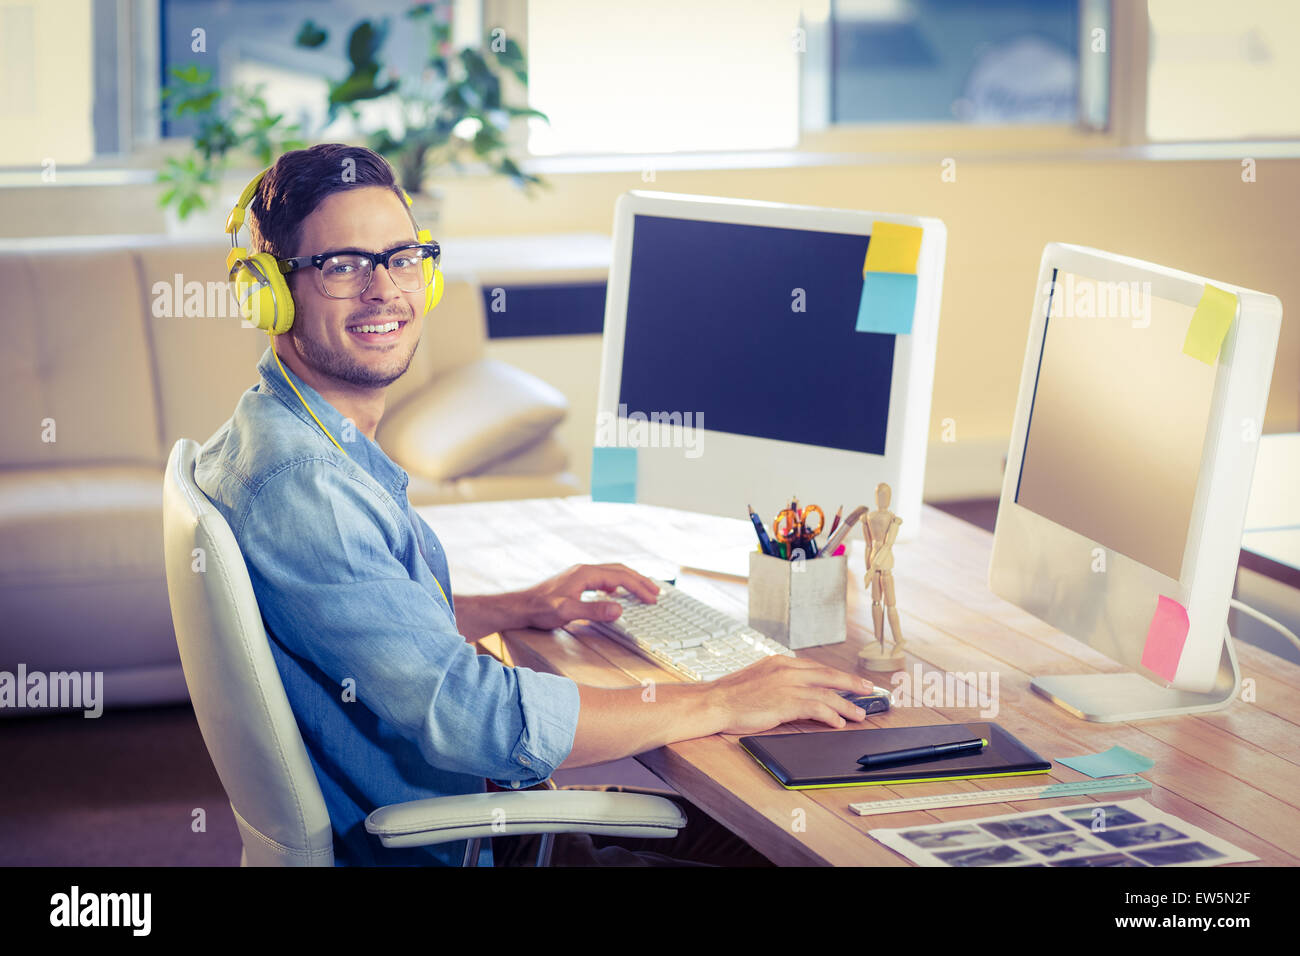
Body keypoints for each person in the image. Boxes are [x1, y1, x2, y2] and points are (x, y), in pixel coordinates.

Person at [196, 143, 873, 867]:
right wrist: (723, 700)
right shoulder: (306, 486)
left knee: (744, 825)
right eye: (343, 265)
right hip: (455, 847)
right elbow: (473, 717)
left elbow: (360, 620)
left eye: (400, 257)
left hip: (464, 819)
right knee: (801, 842)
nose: (384, 289)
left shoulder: (269, 432)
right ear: (266, 291)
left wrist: (518, 606)